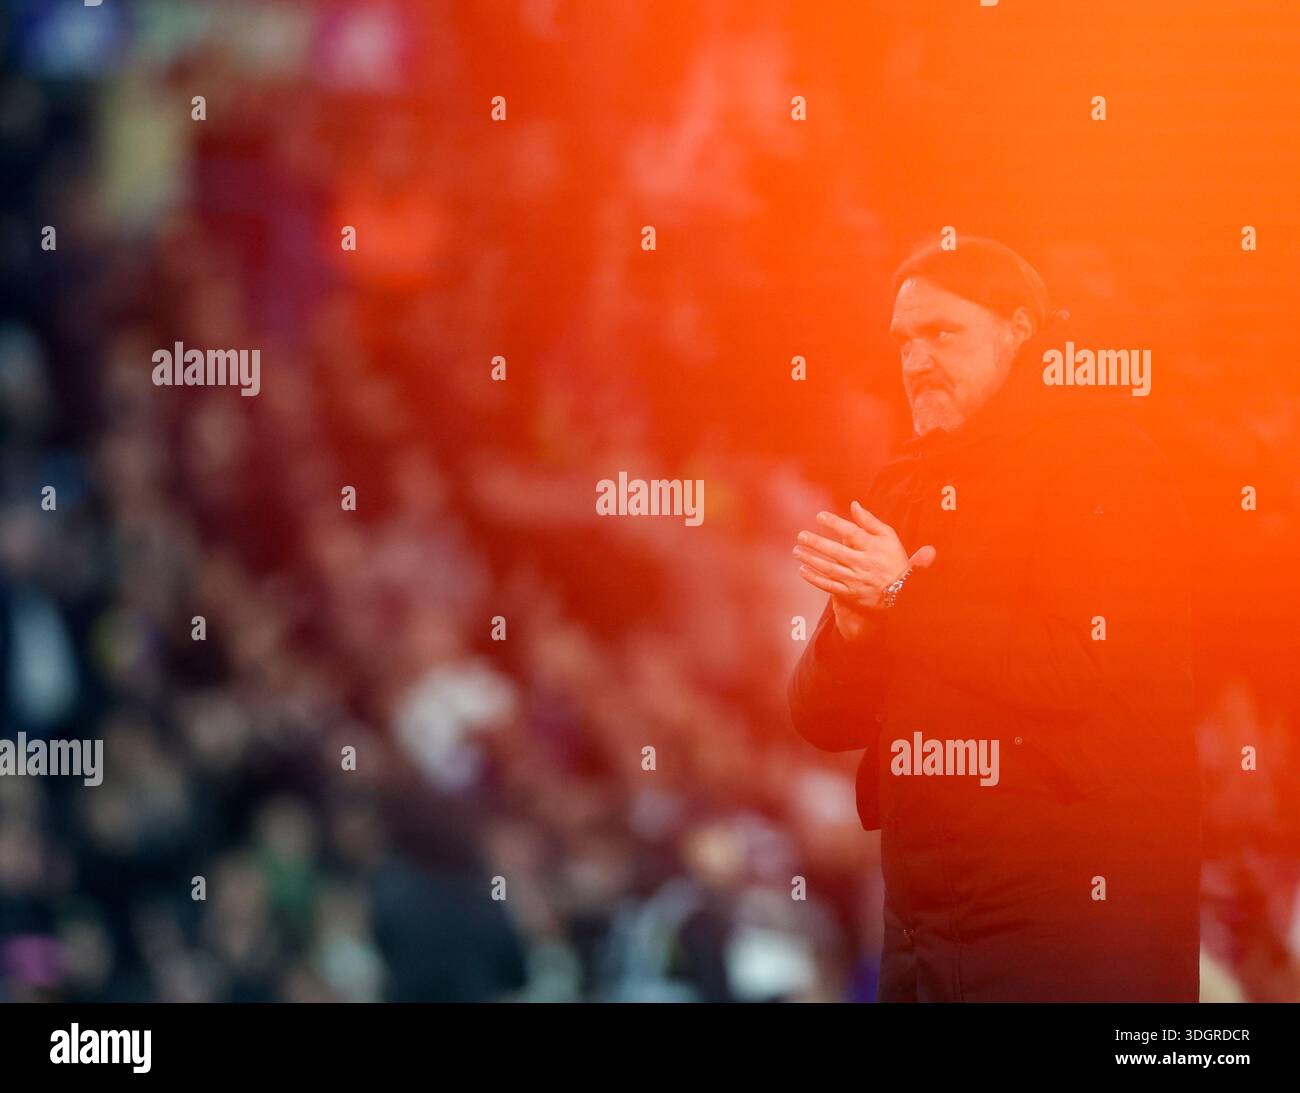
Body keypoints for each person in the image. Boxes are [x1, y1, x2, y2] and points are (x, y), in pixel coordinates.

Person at [788, 238, 1200, 1001]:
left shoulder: (1106, 461)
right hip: (919, 931)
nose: (915, 360)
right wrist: (851, 636)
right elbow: (818, 717)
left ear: (1019, 331)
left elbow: (1078, 664)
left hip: (1071, 933)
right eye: (904, 340)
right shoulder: (901, 484)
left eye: (942, 333)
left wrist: (904, 601)